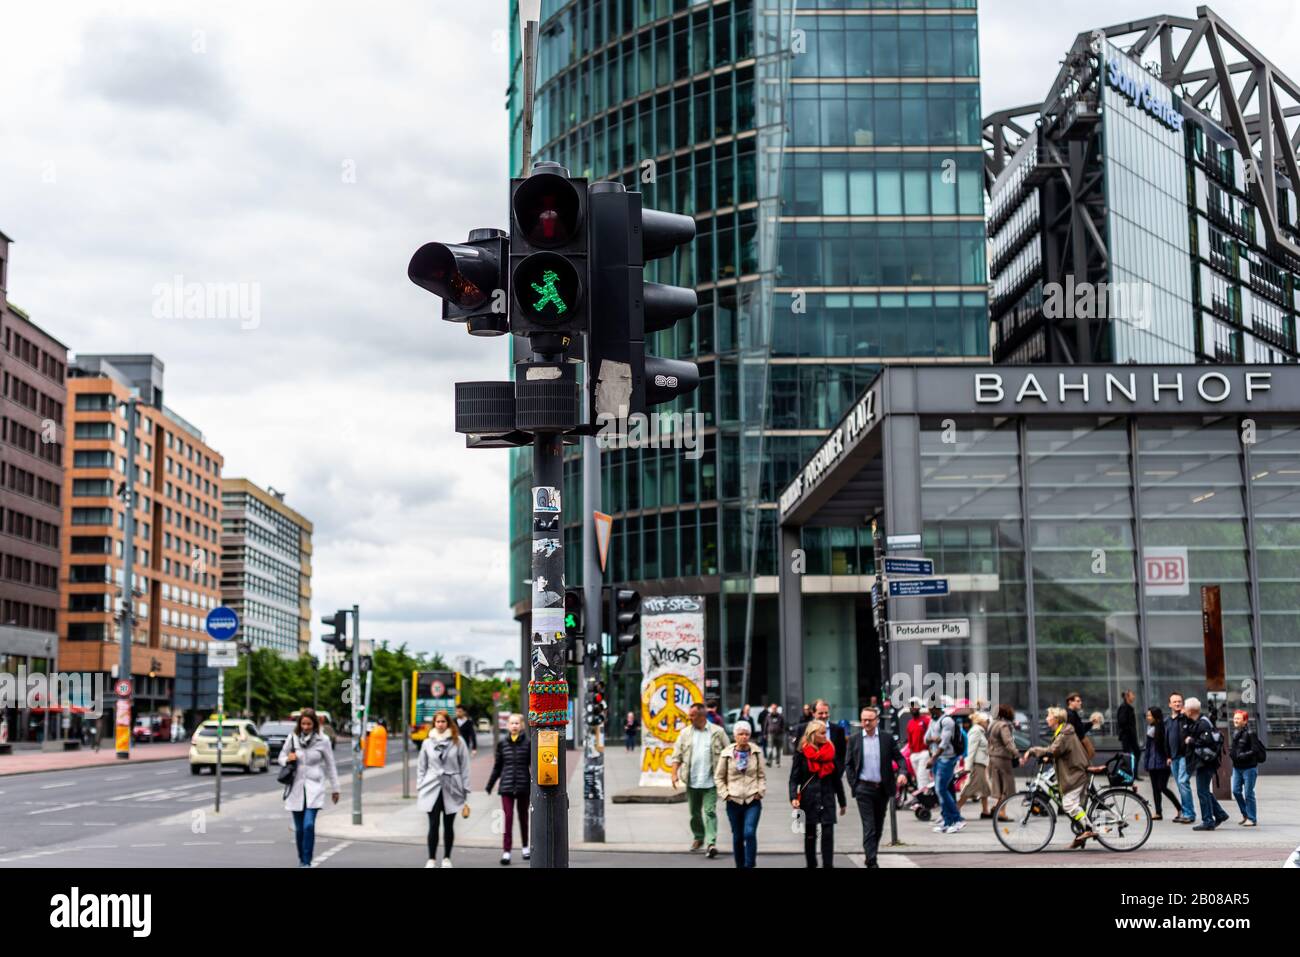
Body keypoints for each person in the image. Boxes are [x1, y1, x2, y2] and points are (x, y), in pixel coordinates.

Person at [1022, 706, 1093, 848]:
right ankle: (1081, 835)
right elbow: (1059, 752)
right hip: (1073, 772)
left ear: (1055, 719)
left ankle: (1089, 828)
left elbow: (1053, 749)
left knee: (1068, 804)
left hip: (1076, 773)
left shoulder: (1064, 734)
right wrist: (1049, 757)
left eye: (1048, 716)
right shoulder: (1062, 732)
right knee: (1069, 803)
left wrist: (1032, 751)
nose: (1046, 718)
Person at [844, 706, 907, 868]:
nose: (866, 723)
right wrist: (854, 784)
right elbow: (848, 764)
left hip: (882, 789)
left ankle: (870, 855)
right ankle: (872, 861)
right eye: (864, 720)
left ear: (877, 720)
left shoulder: (886, 739)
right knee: (869, 826)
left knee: (878, 826)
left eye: (870, 720)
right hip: (863, 789)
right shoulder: (854, 739)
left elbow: (900, 759)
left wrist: (902, 773)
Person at [277, 707, 340, 868]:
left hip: (315, 788)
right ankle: (302, 859)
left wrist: (335, 789)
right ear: (299, 724)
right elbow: (280, 757)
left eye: (309, 724)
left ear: (314, 724)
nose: (305, 727)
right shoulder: (293, 738)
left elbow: (331, 765)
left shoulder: (323, 740)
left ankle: (307, 861)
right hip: (296, 788)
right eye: (303, 724)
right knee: (299, 829)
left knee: (309, 825)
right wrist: (287, 759)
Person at [670, 701, 729, 858]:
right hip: (692, 781)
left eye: (692, 715)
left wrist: (729, 777)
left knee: (710, 811)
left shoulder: (718, 732)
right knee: (694, 813)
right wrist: (674, 774)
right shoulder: (685, 733)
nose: (689, 718)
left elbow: (729, 753)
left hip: (711, 781)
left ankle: (711, 843)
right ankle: (698, 837)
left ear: (702, 716)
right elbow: (677, 755)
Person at [417, 709, 472, 868]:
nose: (440, 724)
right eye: (438, 721)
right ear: (434, 723)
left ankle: (447, 858)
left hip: (452, 787)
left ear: (448, 723)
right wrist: (420, 785)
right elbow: (421, 766)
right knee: (433, 824)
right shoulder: (427, 742)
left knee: (449, 825)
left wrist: (465, 788)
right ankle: (431, 859)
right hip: (431, 787)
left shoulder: (458, 741)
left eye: (443, 721)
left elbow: (465, 766)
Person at [789, 719, 845, 868]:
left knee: (828, 834)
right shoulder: (801, 753)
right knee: (810, 835)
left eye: (825, 732)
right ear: (813, 734)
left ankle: (828, 865)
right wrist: (793, 797)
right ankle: (811, 864)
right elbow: (793, 778)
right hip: (808, 799)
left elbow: (836, 779)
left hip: (827, 797)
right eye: (822, 733)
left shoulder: (830, 751)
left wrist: (842, 802)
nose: (825, 735)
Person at [715, 720, 766, 868]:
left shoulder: (756, 752)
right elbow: (719, 777)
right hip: (734, 801)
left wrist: (760, 791)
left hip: (752, 800)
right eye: (741, 734)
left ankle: (749, 864)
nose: (744, 737)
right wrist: (725, 794)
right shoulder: (726, 754)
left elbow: (761, 775)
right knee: (737, 837)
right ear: (735, 736)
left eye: (746, 734)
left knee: (749, 833)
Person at [485, 712, 530, 864]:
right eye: (512, 723)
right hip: (507, 786)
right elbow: (497, 766)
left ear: (522, 725)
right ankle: (506, 851)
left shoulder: (528, 743)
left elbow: (534, 766)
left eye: (517, 723)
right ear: (507, 726)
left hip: (523, 786)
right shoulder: (502, 743)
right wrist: (490, 785)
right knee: (508, 819)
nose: (514, 726)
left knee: (523, 818)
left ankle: (525, 847)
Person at [1183, 697, 1230, 832]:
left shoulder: (1202, 724)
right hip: (1204, 762)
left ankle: (1208, 821)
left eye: (1185, 707)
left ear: (1190, 710)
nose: (1184, 710)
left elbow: (1207, 742)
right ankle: (1220, 814)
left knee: (1202, 792)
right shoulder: (1199, 722)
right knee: (1204, 791)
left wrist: (1191, 741)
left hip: (1206, 763)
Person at [925, 702, 964, 833]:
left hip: (946, 759)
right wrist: (934, 739)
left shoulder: (947, 721)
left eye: (930, 707)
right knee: (941, 790)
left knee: (941, 789)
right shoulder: (933, 721)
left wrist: (933, 758)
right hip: (938, 759)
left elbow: (944, 743)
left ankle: (957, 820)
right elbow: (926, 739)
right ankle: (947, 821)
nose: (928, 710)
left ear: (935, 707)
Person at [1143, 706, 1182, 820]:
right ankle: (1158, 812)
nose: (1147, 717)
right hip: (1152, 764)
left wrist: (1169, 757)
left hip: (1163, 763)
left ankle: (1180, 808)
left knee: (1162, 787)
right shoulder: (1150, 730)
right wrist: (1146, 763)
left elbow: (1167, 746)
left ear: (1155, 717)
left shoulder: (1163, 729)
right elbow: (1148, 749)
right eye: (1147, 715)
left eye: (1149, 715)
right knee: (1155, 789)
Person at [1164, 692, 1196, 823]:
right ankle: (1184, 811)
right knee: (1180, 785)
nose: (1177, 704)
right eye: (1175, 702)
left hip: (1184, 756)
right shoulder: (1167, 721)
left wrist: (1185, 714)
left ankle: (1189, 814)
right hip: (1173, 758)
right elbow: (1166, 740)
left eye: (1179, 701)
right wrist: (1168, 756)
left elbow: (1194, 730)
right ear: (1170, 704)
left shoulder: (1186, 718)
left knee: (1183, 783)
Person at [956, 711, 992, 818]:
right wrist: (967, 767)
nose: (988, 723)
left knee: (985, 789)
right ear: (981, 721)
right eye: (987, 721)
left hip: (981, 765)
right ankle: (955, 810)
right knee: (970, 787)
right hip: (976, 765)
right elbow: (971, 750)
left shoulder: (979, 731)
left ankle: (985, 811)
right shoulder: (976, 731)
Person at [987, 704, 1020, 818]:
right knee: (1007, 786)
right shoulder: (1003, 725)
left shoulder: (993, 724)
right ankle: (1002, 812)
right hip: (1002, 758)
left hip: (993, 757)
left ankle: (996, 807)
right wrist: (1017, 754)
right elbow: (1008, 742)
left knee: (999, 785)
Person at [1228, 709, 1261, 827]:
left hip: (1249, 768)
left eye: (1238, 718)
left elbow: (1255, 750)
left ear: (1245, 721)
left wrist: (1243, 755)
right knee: (1236, 791)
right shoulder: (1236, 733)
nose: (1235, 720)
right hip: (1237, 768)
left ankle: (1252, 818)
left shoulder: (1251, 733)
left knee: (1248, 793)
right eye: (1235, 718)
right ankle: (1245, 814)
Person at [903, 697, 932, 792]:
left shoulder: (926, 720)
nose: (913, 708)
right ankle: (928, 795)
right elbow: (910, 741)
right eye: (911, 706)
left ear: (919, 707)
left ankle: (923, 797)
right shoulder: (910, 723)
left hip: (924, 753)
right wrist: (911, 754)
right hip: (914, 755)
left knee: (922, 776)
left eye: (915, 706)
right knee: (920, 777)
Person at [1116, 689, 1140, 781]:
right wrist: (1129, 732)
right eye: (1132, 695)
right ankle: (1126, 774)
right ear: (1127, 696)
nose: (1134, 697)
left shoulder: (1128, 707)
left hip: (1130, 736)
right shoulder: (1124, 707)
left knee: (1134, 754)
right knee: (1128, 756)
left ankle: (1132, 774)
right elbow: (1122, 722)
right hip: (1127, 736)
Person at [761, 703, 785, 768]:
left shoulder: (780, 716)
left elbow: (783, 725)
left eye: (775, 708)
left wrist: (782, 731)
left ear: (776, 709)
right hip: (770, 734)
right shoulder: (768, 716)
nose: (774, 709)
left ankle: (778, 762)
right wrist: (764, 733)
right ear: (771, 709)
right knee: (770, 749)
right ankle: (769, 762)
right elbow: (765, 725)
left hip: (779, 734)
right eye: (773, 708)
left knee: (778, 749)